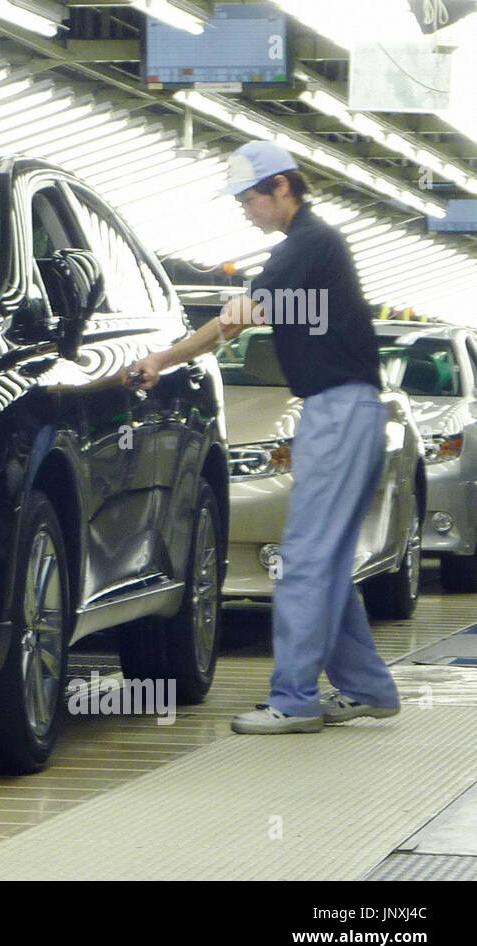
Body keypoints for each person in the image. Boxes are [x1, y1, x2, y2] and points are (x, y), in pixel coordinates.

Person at [126, 140, 400, 735]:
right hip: (341, 413)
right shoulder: (310, 248)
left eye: (249, 199)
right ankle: (367, 687)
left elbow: (234, 319)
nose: (244, 211)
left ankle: (294, 700)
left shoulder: (310, 244)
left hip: (340, 414)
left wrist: (163, 359)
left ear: (282, 188)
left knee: (302, 561)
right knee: (322, 560)